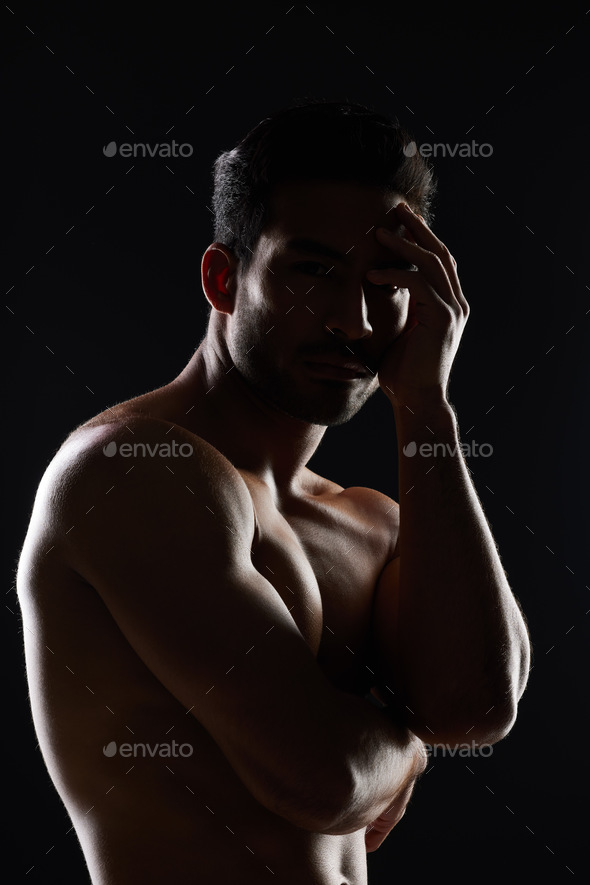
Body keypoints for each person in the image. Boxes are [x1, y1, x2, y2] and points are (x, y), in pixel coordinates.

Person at [17, 99, 531, 885]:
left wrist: (427, 405)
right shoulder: (133, 469)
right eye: (314, 271)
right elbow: (321, 780)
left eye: (385, 281)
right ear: (224, 278)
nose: (354, 322)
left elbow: (476, 707)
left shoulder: (368, 519)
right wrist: (413, 742)